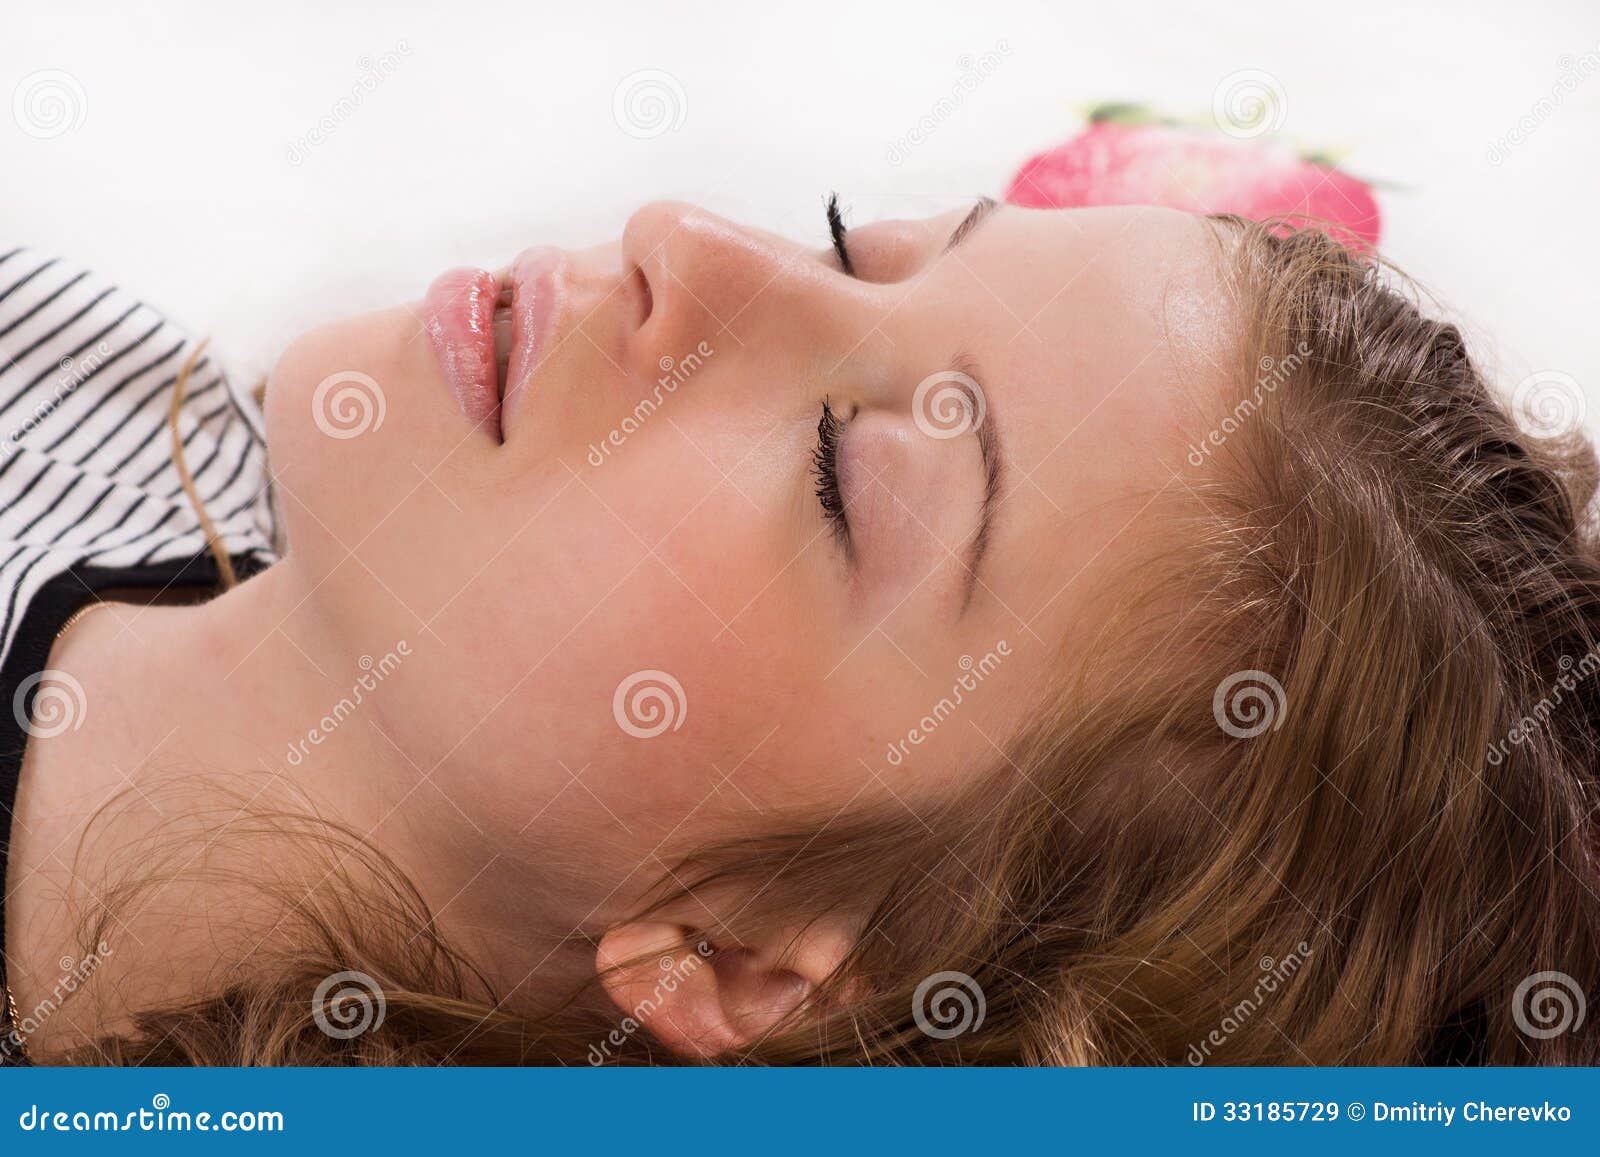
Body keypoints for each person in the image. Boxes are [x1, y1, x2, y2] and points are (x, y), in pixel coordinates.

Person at [2, 197, 1596, 1065]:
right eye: (852, 248)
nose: (685, 246)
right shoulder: (115, 384)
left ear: (749, 968)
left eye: (846, 470)